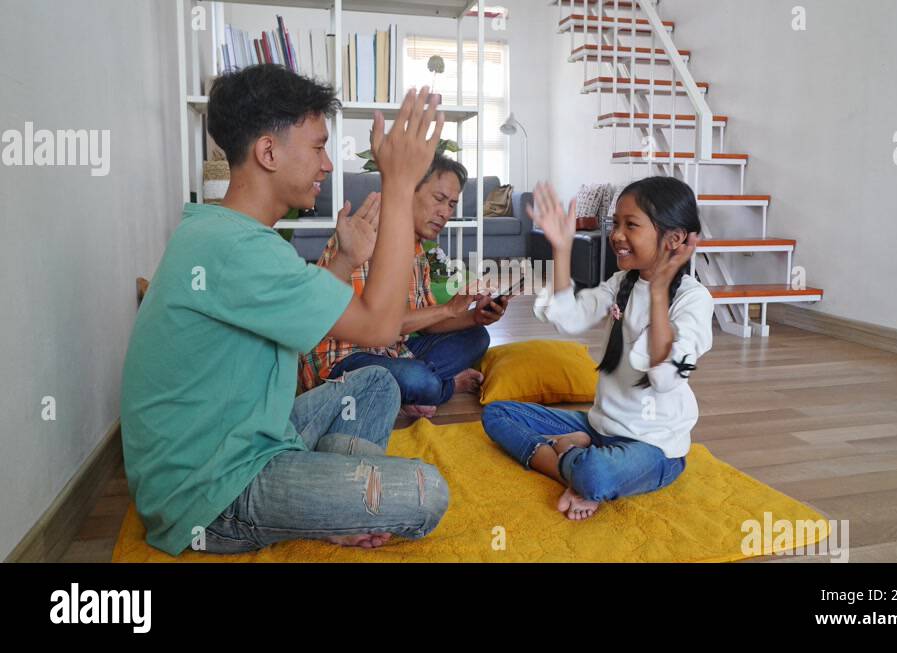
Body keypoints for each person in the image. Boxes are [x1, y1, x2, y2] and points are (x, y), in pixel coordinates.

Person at [120, 64, 449, 556]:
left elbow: (310, 329)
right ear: (268, 152)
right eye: (318, 147)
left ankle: (331, 497)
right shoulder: (238, 249)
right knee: (428, 494)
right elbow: (381, 327)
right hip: (209, 493)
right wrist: (400, 184)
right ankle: (333, 500)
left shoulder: (225, 232)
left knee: (378, 383)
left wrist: (344, 259)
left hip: (251, 435)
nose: (327, 165)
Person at [481, 177, 714, 520]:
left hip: (652, 448)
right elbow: (570, 318)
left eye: (630, 225)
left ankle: (577, 469)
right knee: (497, 414)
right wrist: (561, 250)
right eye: (615, 223)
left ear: (674, 239)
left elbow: (665, 378)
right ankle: (570, 463)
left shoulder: (693, 300)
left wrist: (660, 291)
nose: (617, 234)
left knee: (596, 475)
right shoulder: (622, 282)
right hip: (598, 427)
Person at [299, 155, 510, 419]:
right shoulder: (368, 236)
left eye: (452, 204)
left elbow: (426, 323)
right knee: (422, 381)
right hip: (343, 359)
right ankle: (441, 387)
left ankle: (404, 389)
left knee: (478, 337)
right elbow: (379, 324)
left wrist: (473, 316)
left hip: (392, 352)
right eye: (439, 198)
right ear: (408, 191)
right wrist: (449, 310)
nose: (445, 212)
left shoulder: (418, 248)